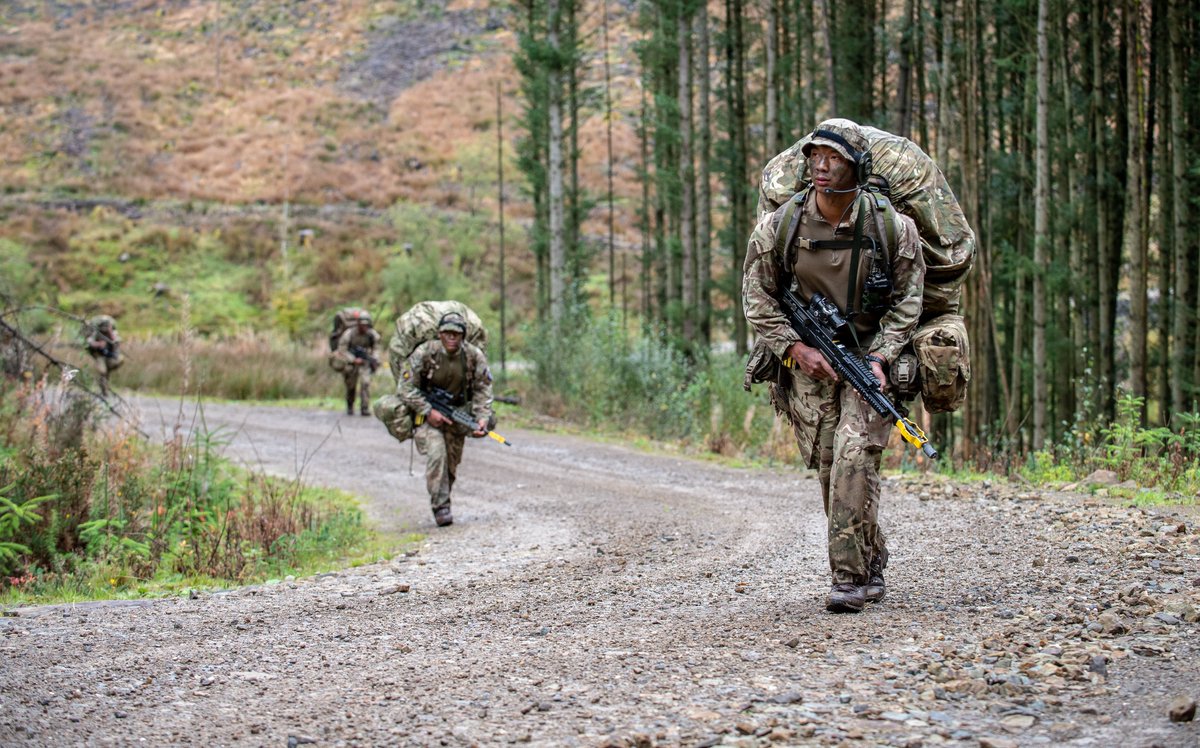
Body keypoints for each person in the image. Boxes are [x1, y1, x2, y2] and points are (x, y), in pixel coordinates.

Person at [742, 118, 926, 613]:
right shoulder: (781, 226)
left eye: (834, 158)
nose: (821, 166)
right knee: (831, 470)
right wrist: (794, 349)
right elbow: (757, 298)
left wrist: (881, 356)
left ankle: (849, 579)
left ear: (857, 166)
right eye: (815, 156)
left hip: (869, 361)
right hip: (809, 363)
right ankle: (871, 557)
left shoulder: (892, 227)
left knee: (853, 456)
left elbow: (909, 301)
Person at [396, 312, 494, 527]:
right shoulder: (425, 353)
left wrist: (482, 418)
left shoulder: (472, 355)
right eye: (447, 333)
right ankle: (441, 507)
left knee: (451, 464)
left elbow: (483, 388)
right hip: (426, 416)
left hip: (457, 416)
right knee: (437, 454)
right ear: (439, 334)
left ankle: (443, 497)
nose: (451, 337)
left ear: (463, 336)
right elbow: (405, 388)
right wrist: (427, 410)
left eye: (456, 334)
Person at [334, 312, 381, 416]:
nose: (364, 327)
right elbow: (342, 349)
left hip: (365, 362)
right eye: (361, 324)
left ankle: (365, 408)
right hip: (351, 363)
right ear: (358, 324)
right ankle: (350, 405)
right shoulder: (349, 334)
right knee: (351, 385)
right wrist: (353, 359)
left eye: (366, 325)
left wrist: (374, 359)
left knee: (365, 383)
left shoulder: (372, 335)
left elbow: (376, 348)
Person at [85, 314, 123, 397]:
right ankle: (104, 390)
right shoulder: (96, 332)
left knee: (119, 360)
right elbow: (89, 342)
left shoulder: (112, 332)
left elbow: (116, 341)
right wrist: (99, 344)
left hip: (109, 355)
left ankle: (105, 385)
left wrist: (110, 332)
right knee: (102, 371)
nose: (104, 329)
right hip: (98, 354)